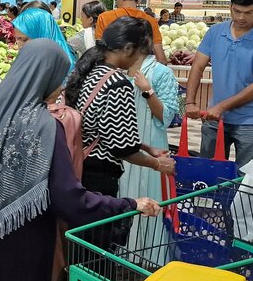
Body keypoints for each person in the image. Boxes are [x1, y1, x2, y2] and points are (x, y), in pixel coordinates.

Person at [0, 40, 159, 281]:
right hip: (19, 248)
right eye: (59, 78)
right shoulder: (43, 125)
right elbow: (68, 198)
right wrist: (129, 205)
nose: (61, 87)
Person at [66, 17, 175, 198]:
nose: (138, 58)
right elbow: (122, 147)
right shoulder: (117, 83)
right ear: (128, 49)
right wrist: (158, 164)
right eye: (139, 52)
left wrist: (146, 148)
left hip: (82, 164)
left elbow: (105, 129)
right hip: (99, 173)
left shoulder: (92, 71)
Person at [186, 0, 253, 164]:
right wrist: (190, 102)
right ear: (230, 6)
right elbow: (197, 66)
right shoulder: (215, 32)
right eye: (237, 11)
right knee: (210, 172)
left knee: (248, 175)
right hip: (214, 118)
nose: (241, 17)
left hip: (251, 121)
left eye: (248, 12)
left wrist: (221, 107)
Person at [117, 44, 179, 258]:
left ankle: (151, 258)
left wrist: (148, 90)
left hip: (152, 146)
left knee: (151, 198)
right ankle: (124, 255)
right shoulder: (117, 71)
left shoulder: (161, 73)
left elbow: (166, 117)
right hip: (123, 147)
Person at [94, 0, 167, 64]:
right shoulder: (150, 20)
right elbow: (161, 57)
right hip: (140, 70)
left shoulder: (104, 17)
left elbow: (99, 51)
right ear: (139, 0)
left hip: (112, 68)